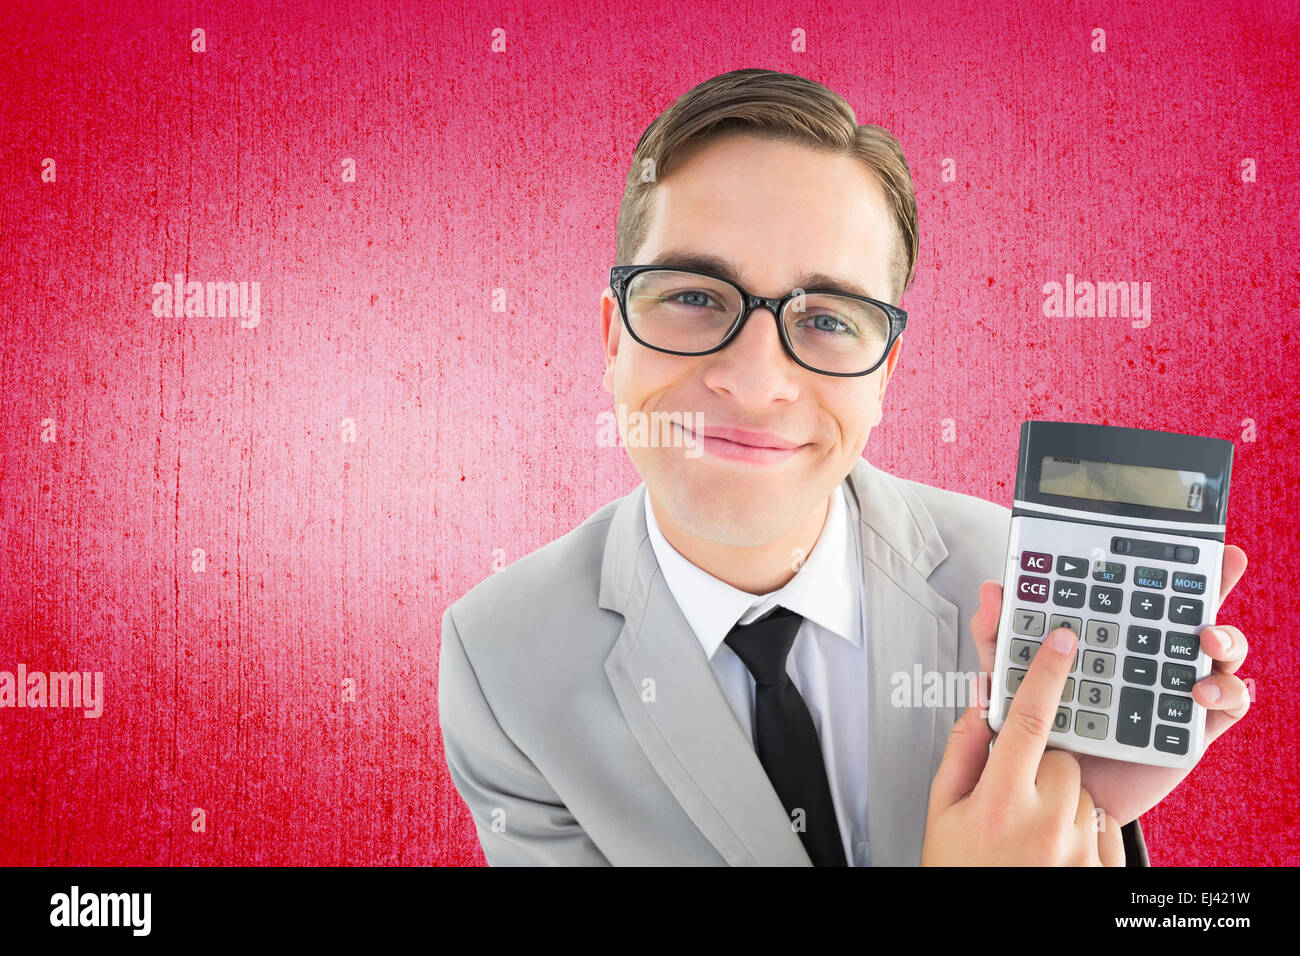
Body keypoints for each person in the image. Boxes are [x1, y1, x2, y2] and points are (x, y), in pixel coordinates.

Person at [437, 68, 1252, 866]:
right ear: (614, 338)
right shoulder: (501, 659)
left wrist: (1089, 806)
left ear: (887, 374)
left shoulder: (1022, 585)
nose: (756, 384)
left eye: (827, 318)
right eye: (694, 297)